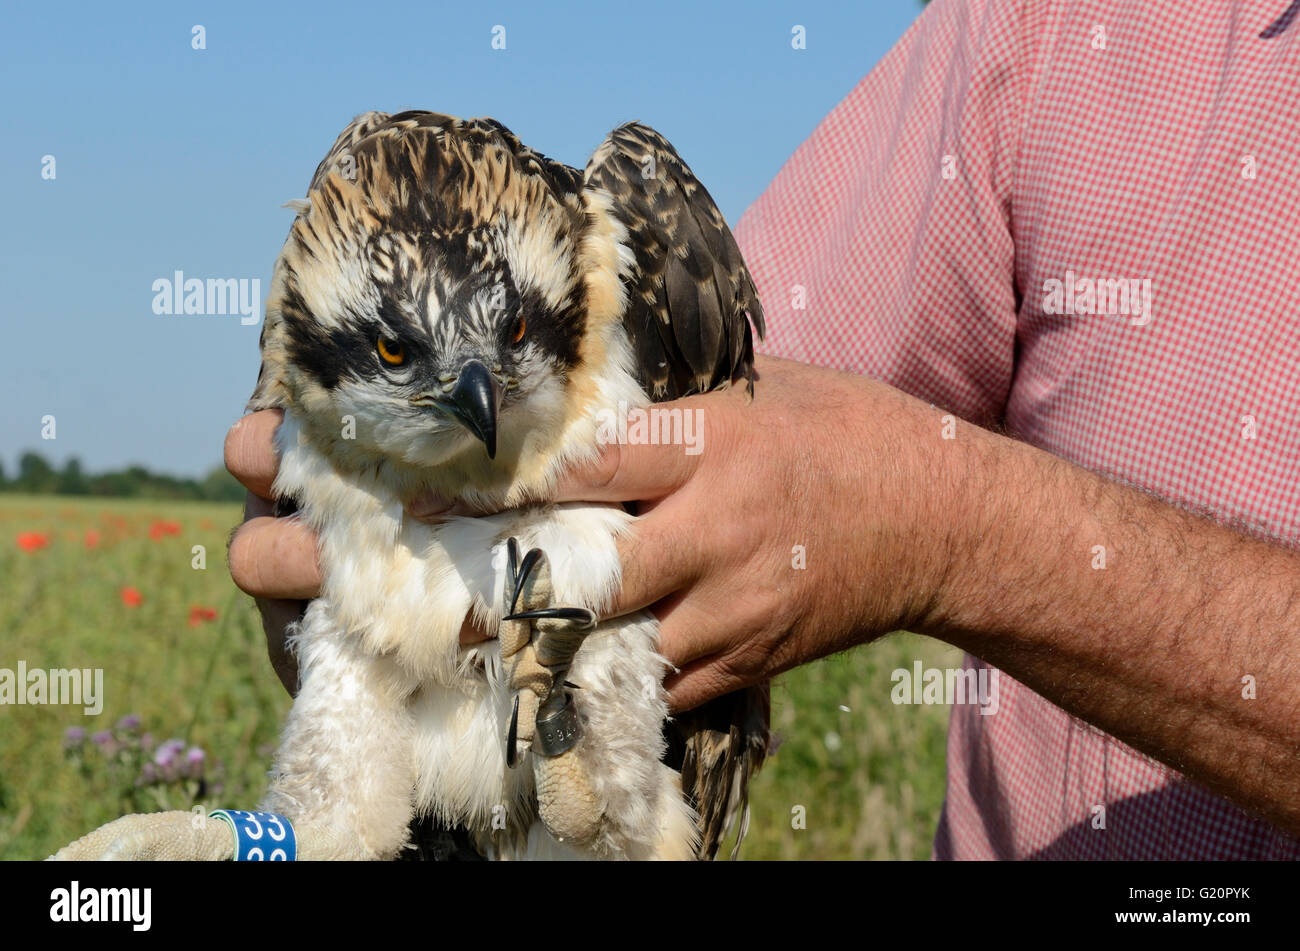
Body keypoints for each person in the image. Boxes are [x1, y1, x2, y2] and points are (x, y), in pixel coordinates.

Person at [225, 0, 1300, 859]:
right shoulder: (1065, 20)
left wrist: (950, 530)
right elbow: (759, 438)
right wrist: (360, 598)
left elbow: (878, 484)